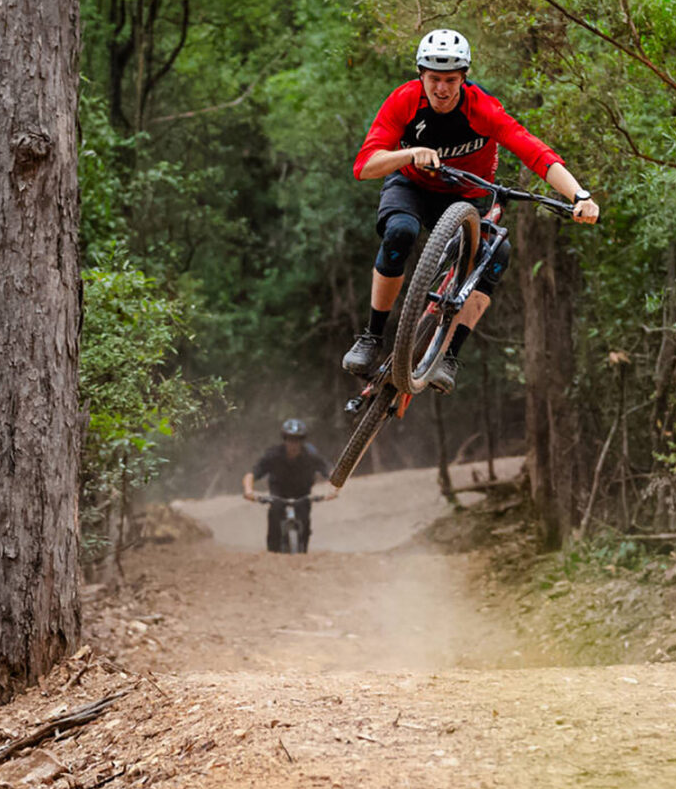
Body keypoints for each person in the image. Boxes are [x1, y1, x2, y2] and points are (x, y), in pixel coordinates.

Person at [343, 28, 600, 393]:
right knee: (400, 232)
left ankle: (449, 357)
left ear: (464, 78)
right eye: (434, 79)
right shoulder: (404, 101)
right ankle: (371, 337)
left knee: (497, 255)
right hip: (411, 186)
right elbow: (364, 165)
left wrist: (580, 196)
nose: (442, 89)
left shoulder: (482, 108)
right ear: (421, 76)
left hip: (465, 195)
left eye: (450, 80)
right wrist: (409, 153)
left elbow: (534, 152)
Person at [241, 418, 332, 553]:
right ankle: (272, 555)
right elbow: (252, 474)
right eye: (290, 439)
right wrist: (249, 491)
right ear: (284, 440)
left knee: (305, 522)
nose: (293, 444)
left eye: (297, 440)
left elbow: (330, 473)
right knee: (274, 517)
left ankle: (302, 553)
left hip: (303, 494)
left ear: (302, 441)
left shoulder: (311, 455)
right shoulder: (273, 455)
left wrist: (334, 489)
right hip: (278, 494)